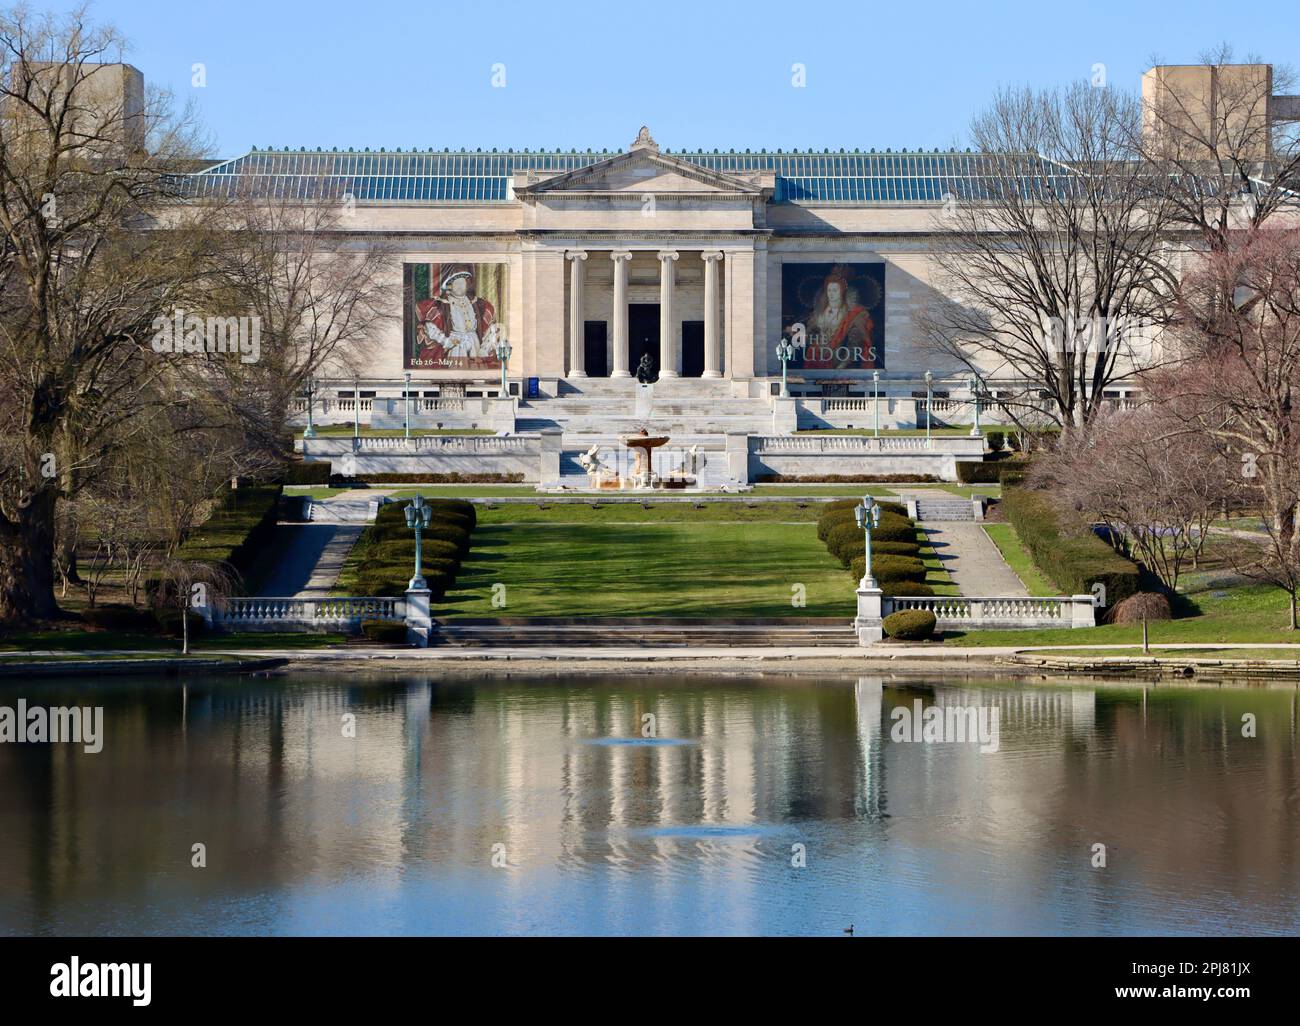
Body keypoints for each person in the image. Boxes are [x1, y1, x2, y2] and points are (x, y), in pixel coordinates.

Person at [414, 268, 500, 365]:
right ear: (450, 286)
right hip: (456, 344)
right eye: (457, 284)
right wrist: (446, 341)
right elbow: (429, 326)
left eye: (462, 283)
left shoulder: (477, 303)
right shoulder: (441, 303)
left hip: (474, 342)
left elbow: (490, 326)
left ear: (466, 285)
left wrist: (484, 350)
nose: (460, 286)